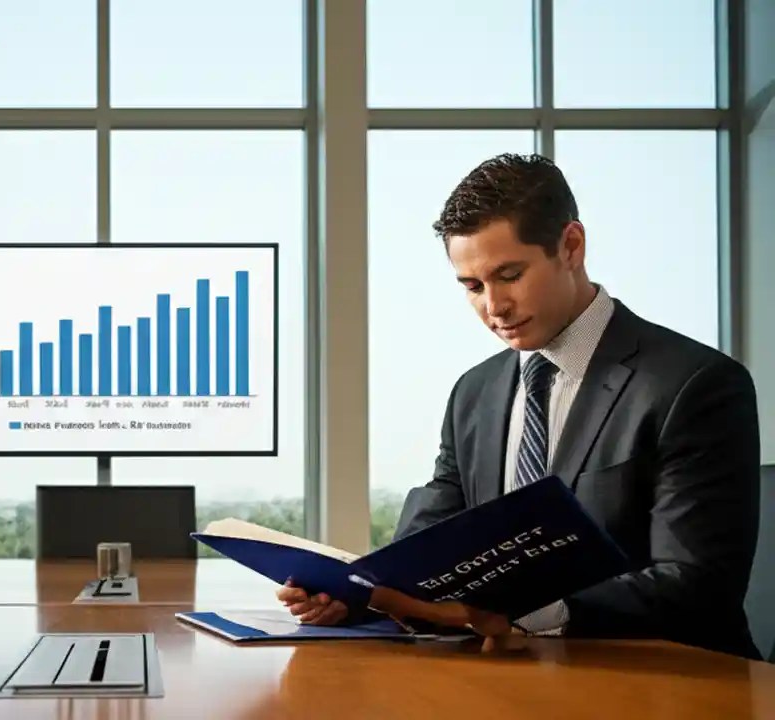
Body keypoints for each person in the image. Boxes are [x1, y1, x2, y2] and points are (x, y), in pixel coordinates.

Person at [279, 152, 761, 658]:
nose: (493, 307)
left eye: (509, 275)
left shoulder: (694, 383)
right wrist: (361, 596)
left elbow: (697, 585)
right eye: (472, 286)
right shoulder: (475, 392)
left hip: (674, 681)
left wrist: (517, 614)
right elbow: (428, 544)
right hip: (513, 676)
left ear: (571, 246)